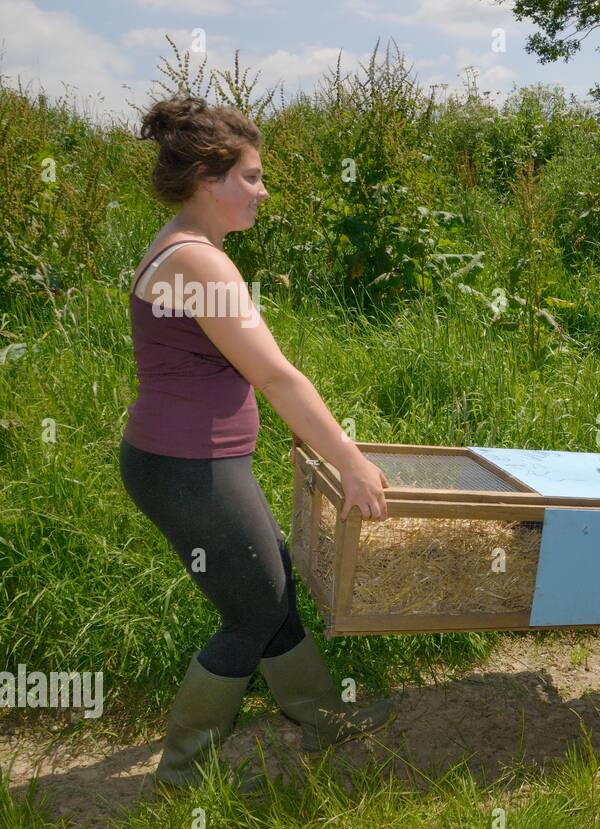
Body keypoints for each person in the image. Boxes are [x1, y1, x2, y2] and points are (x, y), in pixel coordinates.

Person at [119, 96, 395, 790]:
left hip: (192, 463)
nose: (263, 191)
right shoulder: (201, 265)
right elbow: (275, 375)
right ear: (209, 178)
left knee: (267, 584)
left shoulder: (188, 247)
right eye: (252, 176)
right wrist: (352, 463)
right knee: (250, 608)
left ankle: (320, 715)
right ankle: (182, 775)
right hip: (189, 469)